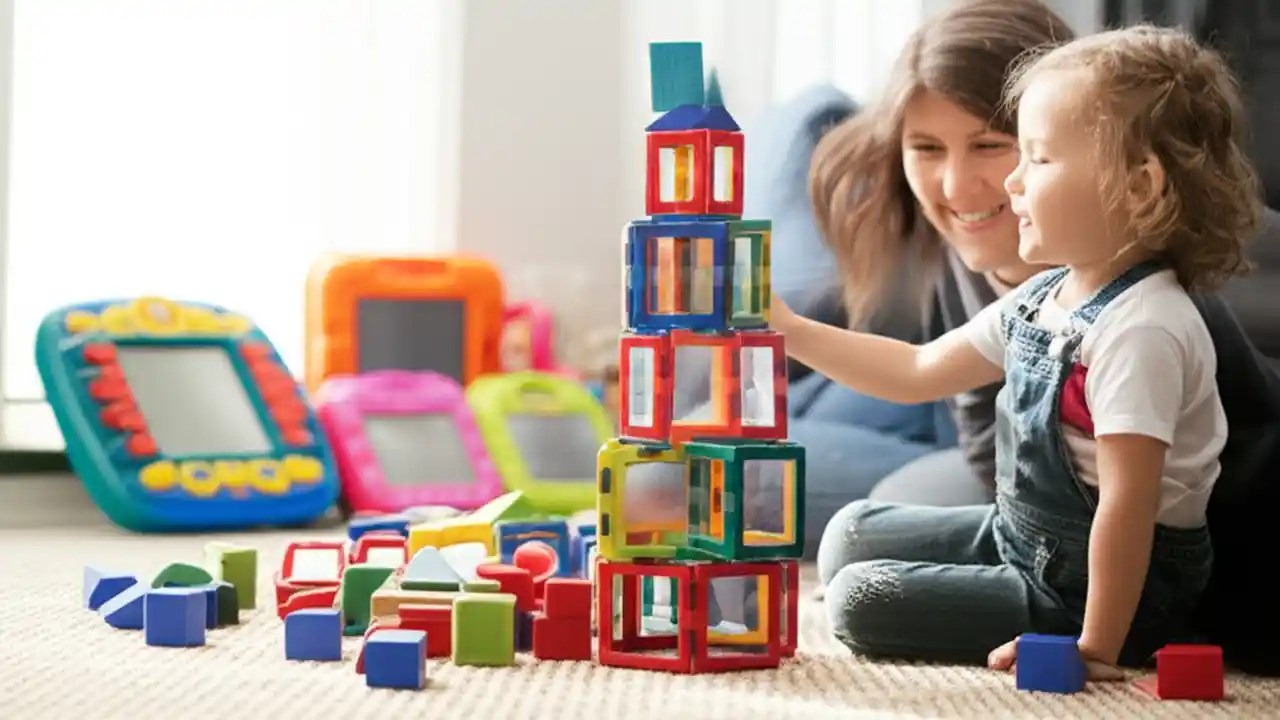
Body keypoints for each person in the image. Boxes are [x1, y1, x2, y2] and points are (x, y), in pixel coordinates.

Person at [771, 22, 1265, 676]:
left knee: (861, 600)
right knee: (848, 535)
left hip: (1101, 585)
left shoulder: (1143, 330)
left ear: (1138, 187)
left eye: (1034, 157)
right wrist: (789, 329)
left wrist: (1096, 647)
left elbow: (1128, 507)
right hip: (1024, 537)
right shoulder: (1047, 295)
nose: (1011, 184)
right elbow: (919, 370)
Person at [718, 0, 1081, 556]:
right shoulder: (944, 241)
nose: (956, 187)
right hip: (941, 394)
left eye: (988, 145)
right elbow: (951, 405)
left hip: (1018, 460)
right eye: (927, 149)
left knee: (726, 481)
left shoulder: (1137, 280)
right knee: (710, 437)